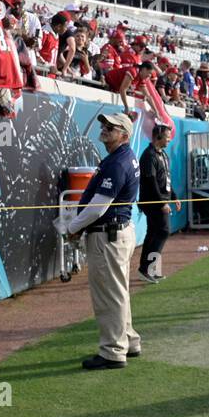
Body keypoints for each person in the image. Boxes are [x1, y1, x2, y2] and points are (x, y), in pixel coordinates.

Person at [54, 112, 143, 369]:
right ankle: (128, 340)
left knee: (109, 296)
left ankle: (113, 351)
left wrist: (72, 227)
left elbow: (98, 208)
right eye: (104, 124)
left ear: (124, 135)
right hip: (117, 232)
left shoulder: (117, 162)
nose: (105, 128)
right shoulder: (121, 157)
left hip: (108, 235)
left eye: (112, 127)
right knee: (118, 292)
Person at [138, 122, 180, 283]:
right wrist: (162, 203)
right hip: (152, 202)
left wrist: (174, 196)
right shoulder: (149, 155)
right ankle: (147, 268)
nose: (169, 140)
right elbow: (151, 181)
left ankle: (149, 268)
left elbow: (166, 179)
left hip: (161, 199)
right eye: (167, 137)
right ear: (158, 136)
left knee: (154, 232)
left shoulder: (163, 154)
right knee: (163, 231)